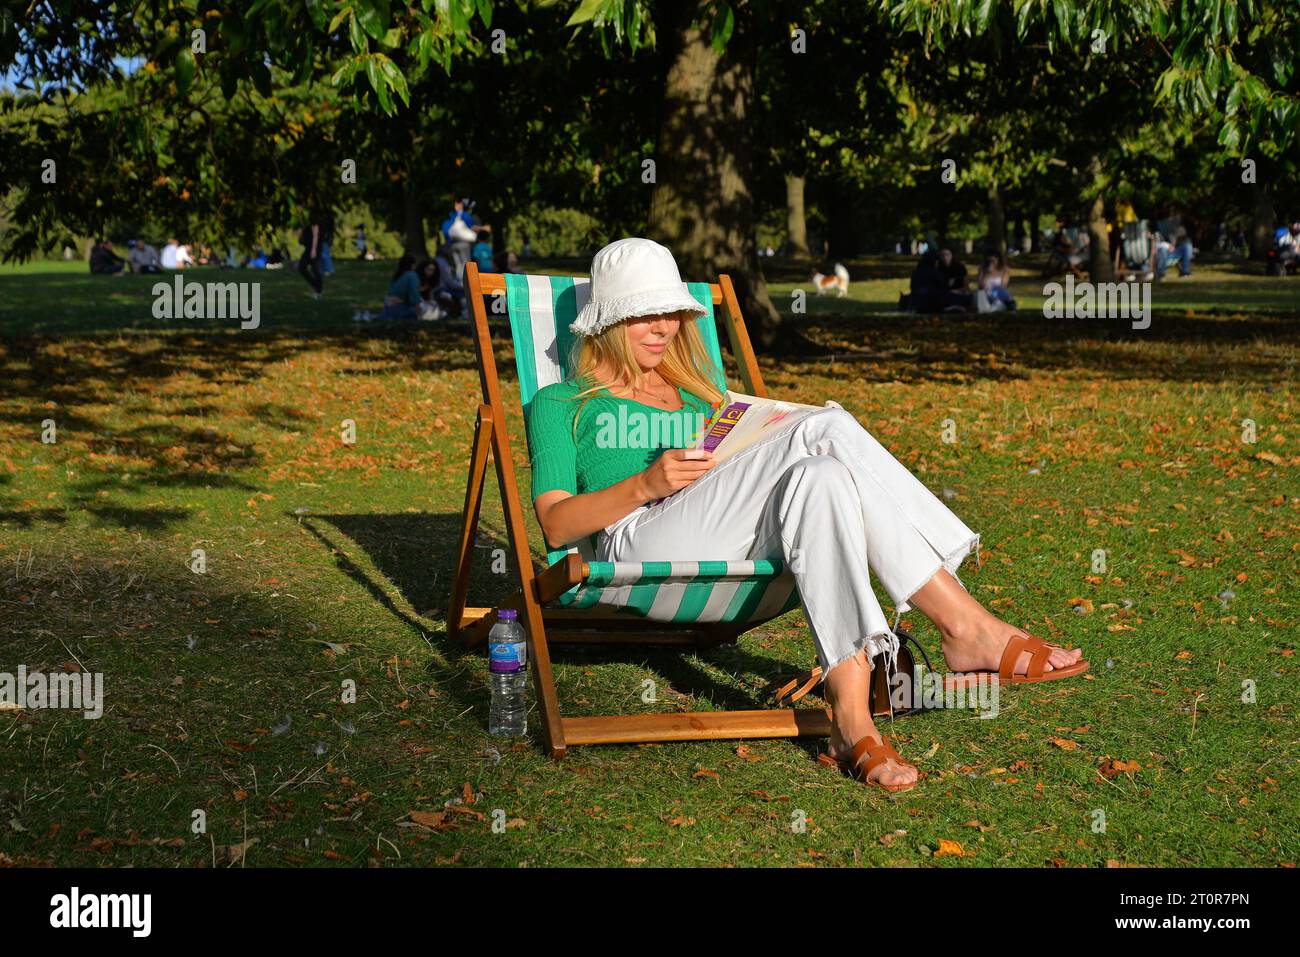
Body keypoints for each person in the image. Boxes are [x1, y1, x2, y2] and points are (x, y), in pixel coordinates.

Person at [527, 238, 1088, 791]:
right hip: (638, 541)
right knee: (825, 428)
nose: (662, 327)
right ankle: (965, 625)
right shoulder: (562, 404)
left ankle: (850, 715)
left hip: (723, 537)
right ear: (604, 323)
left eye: (670, 312)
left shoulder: (701, 399)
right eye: (642, 315)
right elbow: (555, 524)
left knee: (820, 477)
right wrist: (644, 484)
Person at [379, 255, 425, 321]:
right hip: (400, 310)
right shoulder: (412, 275)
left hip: (387, 310)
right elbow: (414, 296)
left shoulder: (397, 277)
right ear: (412, 265)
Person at [298, 213, 323, 298]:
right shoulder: (306, 226)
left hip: (314, 250)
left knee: (316, 270)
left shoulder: (315, 225)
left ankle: (318, 291)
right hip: (308, 250)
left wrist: (313, 250)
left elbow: (315, 237)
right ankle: (315, 285)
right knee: (301, 267)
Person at [319, 210, 336, 276]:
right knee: (323, 255)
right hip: (326, 239)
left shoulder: (326, 223)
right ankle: (323, 270)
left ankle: (328, 270)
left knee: (325, 255)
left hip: (325, 239)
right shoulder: (329, 222)